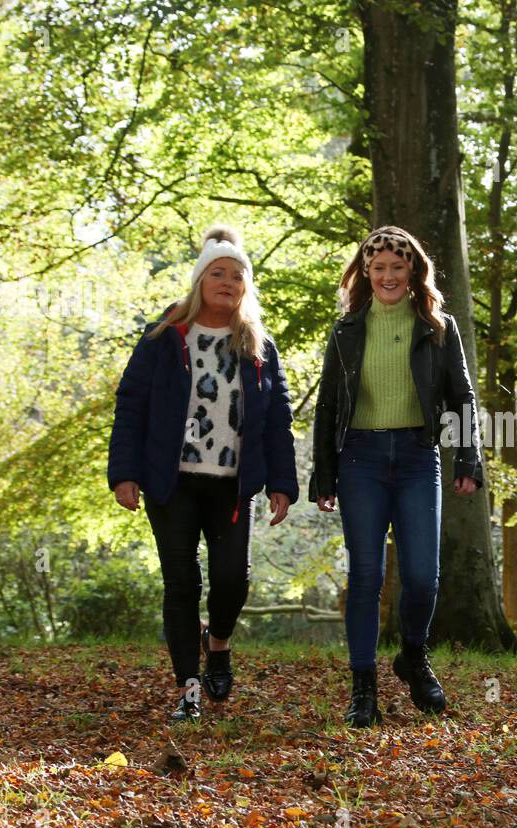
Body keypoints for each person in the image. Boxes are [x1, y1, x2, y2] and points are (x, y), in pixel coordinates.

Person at [107, 224, 299, 722]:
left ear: (245, 288)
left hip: (232, 484)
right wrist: (124, 473)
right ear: (199, 281)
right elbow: (131, 404)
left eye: (237, 276)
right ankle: (188, 688)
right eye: (217, 273)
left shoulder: (259, 347)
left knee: (233, 577)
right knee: (180, 582)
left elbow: (278, 419)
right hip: (171, 480)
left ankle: (218, 643)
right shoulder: (165, 337)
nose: (227, 282)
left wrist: (282, 482)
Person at [309, 225, 484, 727]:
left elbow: (463, 398)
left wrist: (468, 461)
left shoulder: (437, 326)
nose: (388, 275)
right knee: (365, 575)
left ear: (413, 271)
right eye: (378, 266)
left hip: (415, 456)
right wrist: (325, 475)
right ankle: (362, 688)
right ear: (366, 272)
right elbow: (327, 406)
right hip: (359, 459)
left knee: (423, 578)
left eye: (397, 266)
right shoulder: (346, 331)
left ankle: (412, 655)